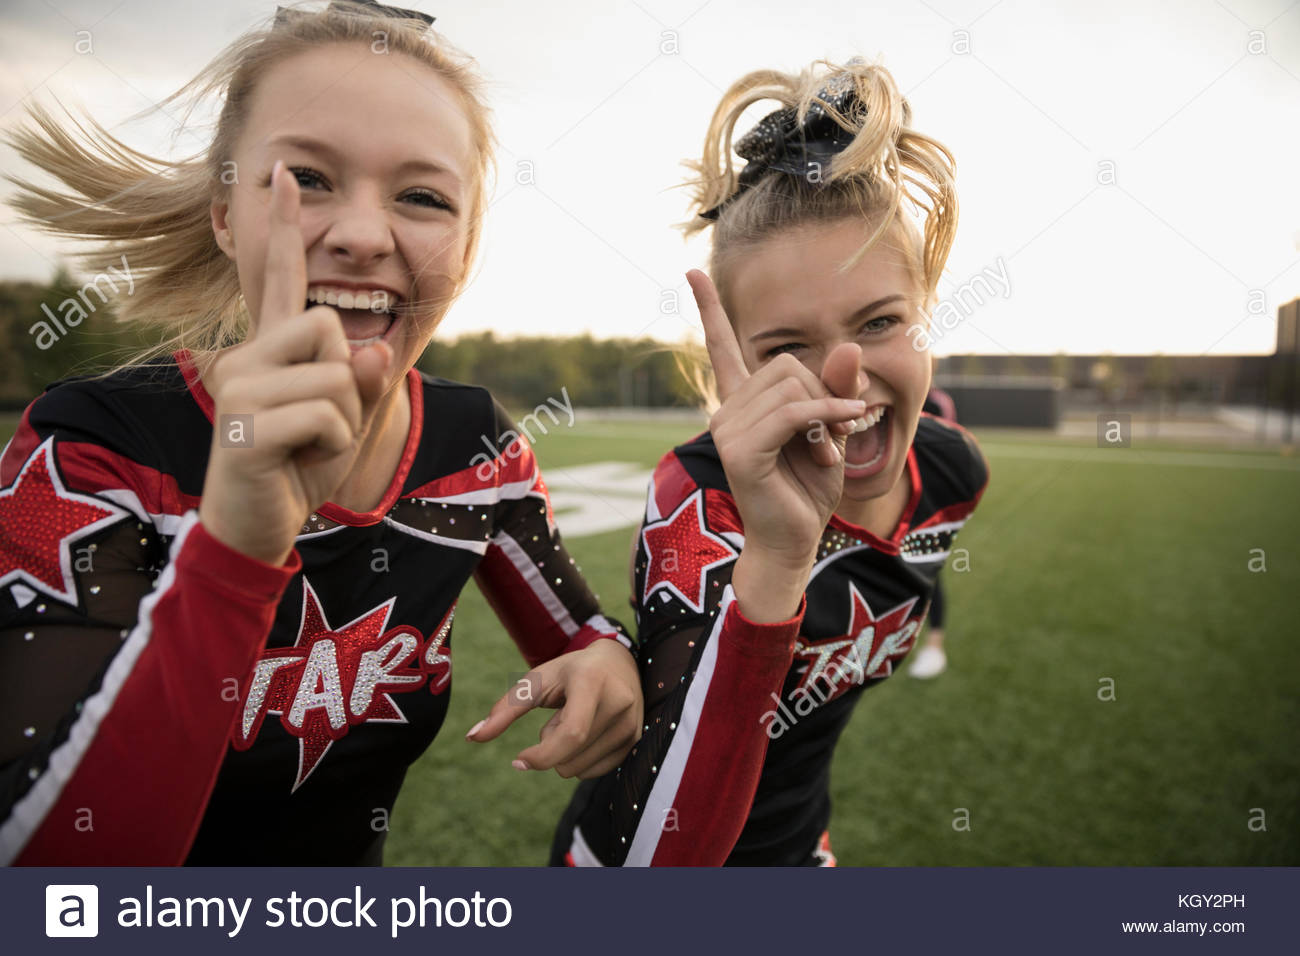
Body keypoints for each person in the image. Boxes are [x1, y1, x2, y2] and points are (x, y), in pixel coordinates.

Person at [0, 0, 641, 866]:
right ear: (225, 215)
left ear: (466, 242)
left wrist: (609, 661)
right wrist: (235, 547)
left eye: (421, 197)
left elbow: (584, 635)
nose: (364, 237)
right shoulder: (89, 453)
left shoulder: (475, 448)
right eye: (306, 179)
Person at [552, 57, 989, 866]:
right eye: (787, 347)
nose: (845, 377)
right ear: (730, 367)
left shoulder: (952, 474)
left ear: (927, 310)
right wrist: (781, 564)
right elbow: (662, 860)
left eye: (882, 322)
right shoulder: (701, 501)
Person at [909, 369, 959, 679]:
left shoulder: (937, 402)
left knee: (928, 571)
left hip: (927, 503)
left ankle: (935, 645)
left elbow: (947, 453)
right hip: (889, 499)